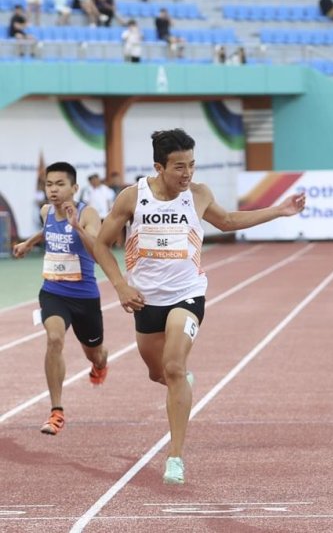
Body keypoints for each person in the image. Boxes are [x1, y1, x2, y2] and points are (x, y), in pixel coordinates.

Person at [93, 129, 306, 485]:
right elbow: (101, 244)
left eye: (192, 165)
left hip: (187, 294)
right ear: (158, 167)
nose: (187, 173)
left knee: (174, 367)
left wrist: (280, 211)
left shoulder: (198, 195)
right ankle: (179, 384)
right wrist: (120, 286)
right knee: (157, 372)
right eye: (179, 167)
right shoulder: (133, 198)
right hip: (145, 300)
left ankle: (175, 456)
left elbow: (229, 221)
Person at [11, 162, 109, 436]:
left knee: (96, 353)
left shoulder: (88, 213)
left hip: (85, 296)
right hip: (53, 291)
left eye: (60, 184)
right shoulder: (46, 212)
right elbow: (49, 232)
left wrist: (77, 226)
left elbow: (97, 251)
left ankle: (100, 363)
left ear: (74, 188)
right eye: (49, 185)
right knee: (54, 339)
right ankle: (56, 411)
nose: (53, 190)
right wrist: (29, 243)